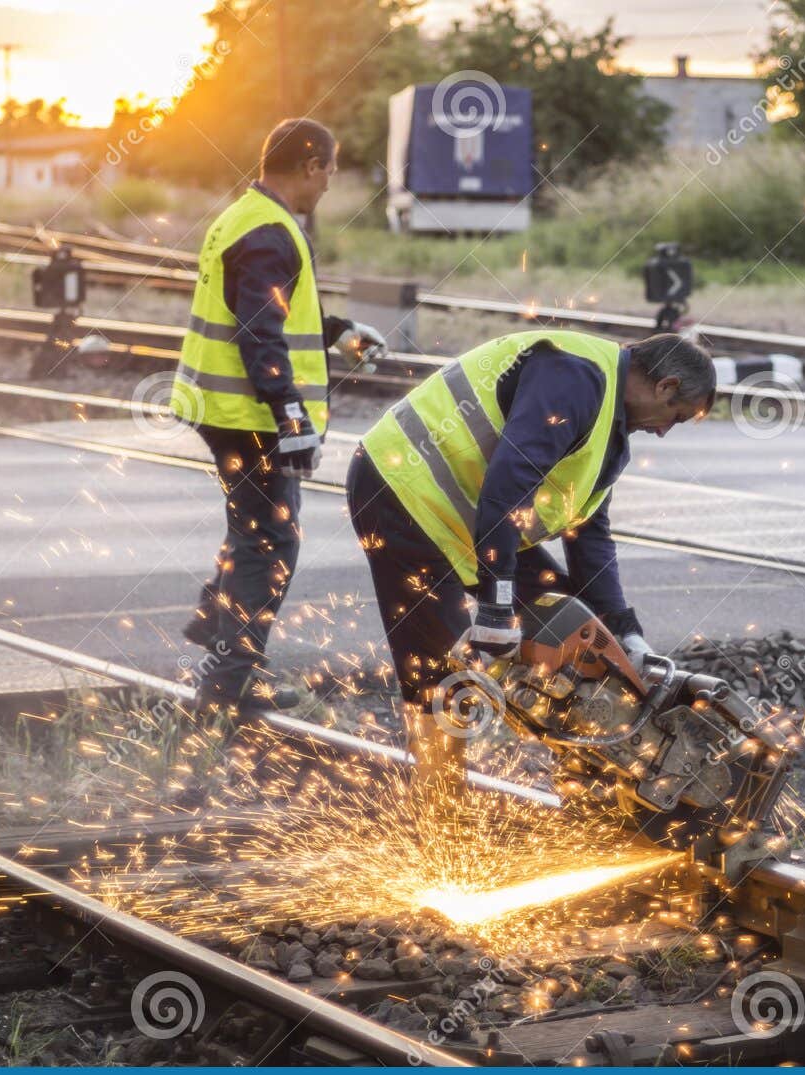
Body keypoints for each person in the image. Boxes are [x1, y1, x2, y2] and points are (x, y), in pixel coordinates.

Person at [349, 329, 716, 793]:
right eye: (675, 418)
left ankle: (595, 779)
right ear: (664, 387)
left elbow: (589, 536)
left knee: (575, 633)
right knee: (442, 675)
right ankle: (439, 814)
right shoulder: (576, 377)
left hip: (472, 519)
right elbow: (507, 486)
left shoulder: (609, 426)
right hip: (400, 491)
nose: (664, 431)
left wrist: (625, 633)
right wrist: (497, 608)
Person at [171, 117, 384, 716]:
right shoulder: (269, 231)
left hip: (228, 409)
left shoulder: (244, 217)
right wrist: (292, 418)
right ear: (312, 165)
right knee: (273, 541)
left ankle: (217, 623)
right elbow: (258, 333)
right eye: (330, 171)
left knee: (252, 529)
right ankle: (233, 673)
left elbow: (273, 312)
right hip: (251, 415)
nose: (329, 184)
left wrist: (339, 333)